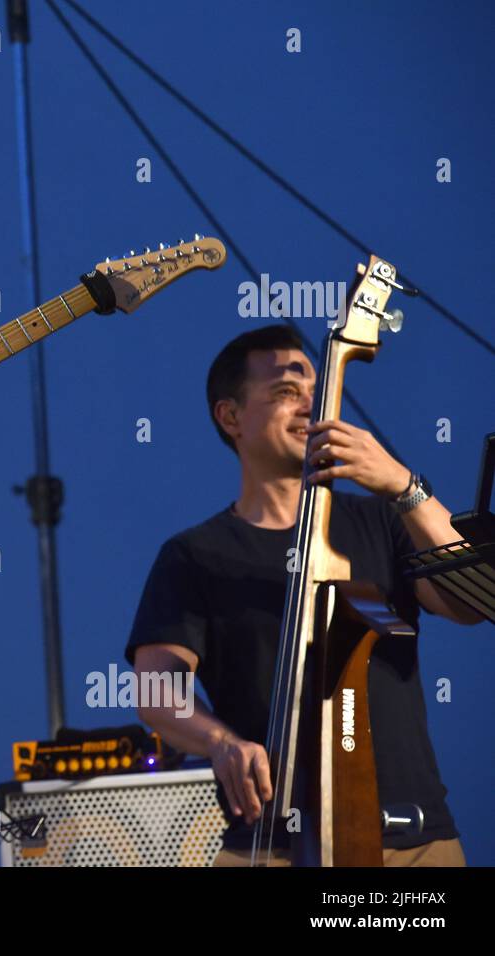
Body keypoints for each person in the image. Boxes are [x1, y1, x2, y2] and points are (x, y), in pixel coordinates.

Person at [126, 324, 480, 867]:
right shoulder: (193, 554)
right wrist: (221, 742)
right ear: (231, 417)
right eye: (285, 394)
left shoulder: (383, 522)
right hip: (269, 846)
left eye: (315, 393)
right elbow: (158, 690)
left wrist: (405, 487)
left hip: (411, 841)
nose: (311, 409)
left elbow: (470, 602)